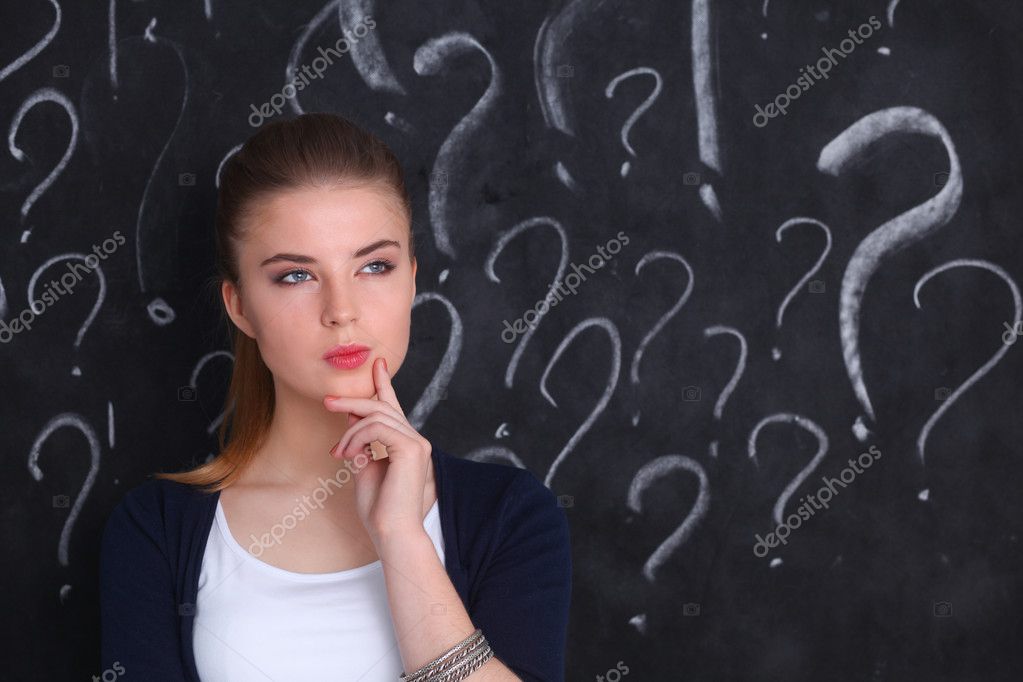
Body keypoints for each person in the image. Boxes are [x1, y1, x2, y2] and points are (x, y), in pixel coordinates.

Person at [99, 112, 572, 681]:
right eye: (296, 275)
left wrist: (401, 538)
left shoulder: (510, 515)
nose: (341, 309)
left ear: (412, 279)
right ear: (240, 306)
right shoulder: (156, 530)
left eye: (375, 266)